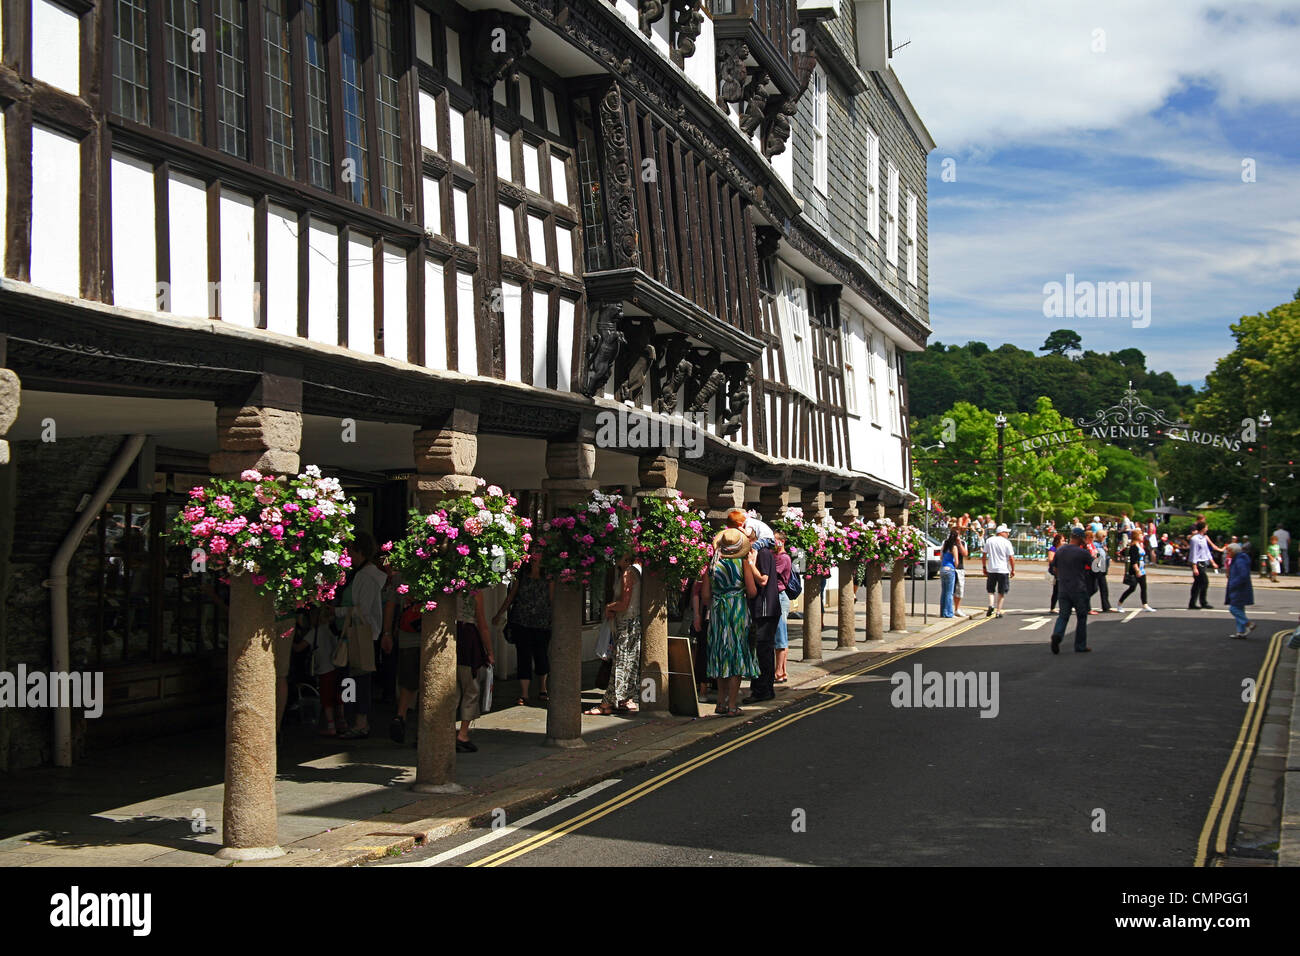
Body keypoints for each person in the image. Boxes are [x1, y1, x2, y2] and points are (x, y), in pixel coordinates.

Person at [702, 527, 760, 716]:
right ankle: (733, 705)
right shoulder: (742, 562)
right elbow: (752, 592)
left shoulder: (712, 564)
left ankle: (720, 703)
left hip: (718, 613)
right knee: (737, 655)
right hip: (737, 612)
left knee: (720, 654)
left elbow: (705, 596)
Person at [335, 531, 386, 739]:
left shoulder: (366, 576)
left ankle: (358, 720)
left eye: (351, 552)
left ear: (360, 551)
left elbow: (361, 609)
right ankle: (351, 718)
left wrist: (336, 612)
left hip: (360, 634)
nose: (349, 557)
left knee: (356, 679)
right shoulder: (360, 574)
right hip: (354, 633)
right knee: (351, 679)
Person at [586, 553, 642, 716]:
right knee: (629, 663)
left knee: (619, 663)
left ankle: (606, 703)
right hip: (632, 623)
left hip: (626, 624)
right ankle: (624, 699)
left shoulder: (628, 573)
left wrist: (609, 607)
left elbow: (624, 603)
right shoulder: (635, 571)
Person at [495, 553, 553, 706]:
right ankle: (524, 693)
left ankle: (543, 688)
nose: (535, 555)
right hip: (521, 621)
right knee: (523, 656)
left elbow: (552, 598)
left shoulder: (548, 576)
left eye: (539, 551)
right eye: (533, 551)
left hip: (542, 622)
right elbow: (511, 596)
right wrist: (499, 613)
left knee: (541, 655)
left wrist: (554, 618)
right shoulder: (522, 574)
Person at [744, 531, 782, 705]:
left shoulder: (764, 553)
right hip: (760, 609)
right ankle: (763, 689)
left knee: (762, 650)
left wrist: (750, 564)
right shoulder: (760, 552)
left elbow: (763, 580)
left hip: (766, 609)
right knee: (761, 650)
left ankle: (763, 690)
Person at [454, 589, 494, 751]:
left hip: (448, 635)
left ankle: (447, 730)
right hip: (467, 637)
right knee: (470, 687)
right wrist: (490, 651)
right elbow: (482, 623)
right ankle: (462, 734)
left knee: (452, 688)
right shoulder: (474, 591)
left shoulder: (445, 586)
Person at [1050, 528, 1093, 654]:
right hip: (1078, 587)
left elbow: (1054, 568)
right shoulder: (1082, 552)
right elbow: (1097, 568)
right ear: (1080, 538)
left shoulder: (1060, 550)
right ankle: (1080, 645)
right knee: (1081, 616)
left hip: (1063, 587)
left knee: (1063, 615)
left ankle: (1057, 634)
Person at [981, 524, 1015, 618]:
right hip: (1003, 570)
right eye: (1006, 532)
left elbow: (984, 555)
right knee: (1002, 591)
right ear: (1001, 533)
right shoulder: (1007, 542)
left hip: (991, 569)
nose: (1008, 534)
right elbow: (1011, 558)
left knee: (991, 590)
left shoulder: (989, 540)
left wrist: (984, 567)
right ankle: (998, 611)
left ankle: (991, 605)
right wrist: (1013, 569)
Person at [772, 532, 793, 683]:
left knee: (780, 636)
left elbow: (771, 574)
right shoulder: (776, 556)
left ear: (782, 542)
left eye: (775, 540)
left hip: (780, 597)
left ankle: (779, 671)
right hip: (776, 597)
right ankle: (783, 672)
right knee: (778, 635)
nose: (773, 543)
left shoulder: (783, 558)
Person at [1224, 543, 1257, 639]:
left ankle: (1249, 624)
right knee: (1239, 609)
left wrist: (1233, 583)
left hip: (1239, 589)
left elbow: (1243, 575)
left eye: (1229, 551)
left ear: (1234, 551)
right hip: (1238, 589)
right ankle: (1241, 632)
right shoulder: (1237, 559)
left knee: (1233, 609)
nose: (1227, 552)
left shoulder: (1240, 560)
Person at [1116, 534, 1155, 612]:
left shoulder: (1140, 545)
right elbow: (1133, 561)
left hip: (1142, 569)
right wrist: (1137, 571)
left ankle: (1145, 605)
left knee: (1144, 587)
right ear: (1136, 536)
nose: (1142, 537)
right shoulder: (1134, 547)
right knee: (1132, 588)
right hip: (1136, 570)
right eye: (1140, 535)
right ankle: (1119, 604)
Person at [1187, 520, 1216, 610]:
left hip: (1203, 562)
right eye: (1206, 527)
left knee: (1197, 583)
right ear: (1203, 528)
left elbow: (1206, 551)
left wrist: (1212, 562)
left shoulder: (1203, 538)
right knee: (1204, 582)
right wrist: (1194, 567)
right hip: (1198, 563)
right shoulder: (1195, 539)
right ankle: (1203, 602)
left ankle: (1192, 603)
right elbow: (1194, 553)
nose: (1207, 529)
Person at [939, 529, 959, 618]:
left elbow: (941, 557)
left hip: (943, 569)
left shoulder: (945, 545)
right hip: (950, 569)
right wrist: (955, 566)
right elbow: (957, 562)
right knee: (949, 593)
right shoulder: (954, 547)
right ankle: (949, 613)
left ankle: (943, 612)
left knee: (944, 592)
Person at [1047, 532, 1063, 612]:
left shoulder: (1063, 549)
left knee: (1062, 590)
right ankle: (1052, 607)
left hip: (1062, 571)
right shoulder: (1053, 549)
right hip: (1056, 572)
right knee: (1057, 590)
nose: (1064, 542)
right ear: (1058, 541)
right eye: (1062, 540)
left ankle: (1063, 607)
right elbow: (1050, 559)